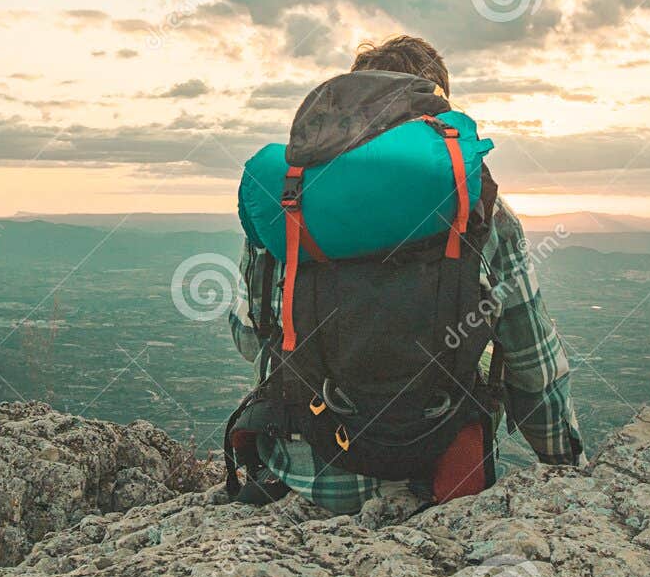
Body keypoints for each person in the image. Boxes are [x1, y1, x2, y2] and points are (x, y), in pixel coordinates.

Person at [226, 34, 583, 513]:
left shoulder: (289, 204)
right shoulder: (477, 211)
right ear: (435, 114)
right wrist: (566, 468)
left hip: (305, 484)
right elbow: (533, 363)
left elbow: (253, 335)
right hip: (443, 488)